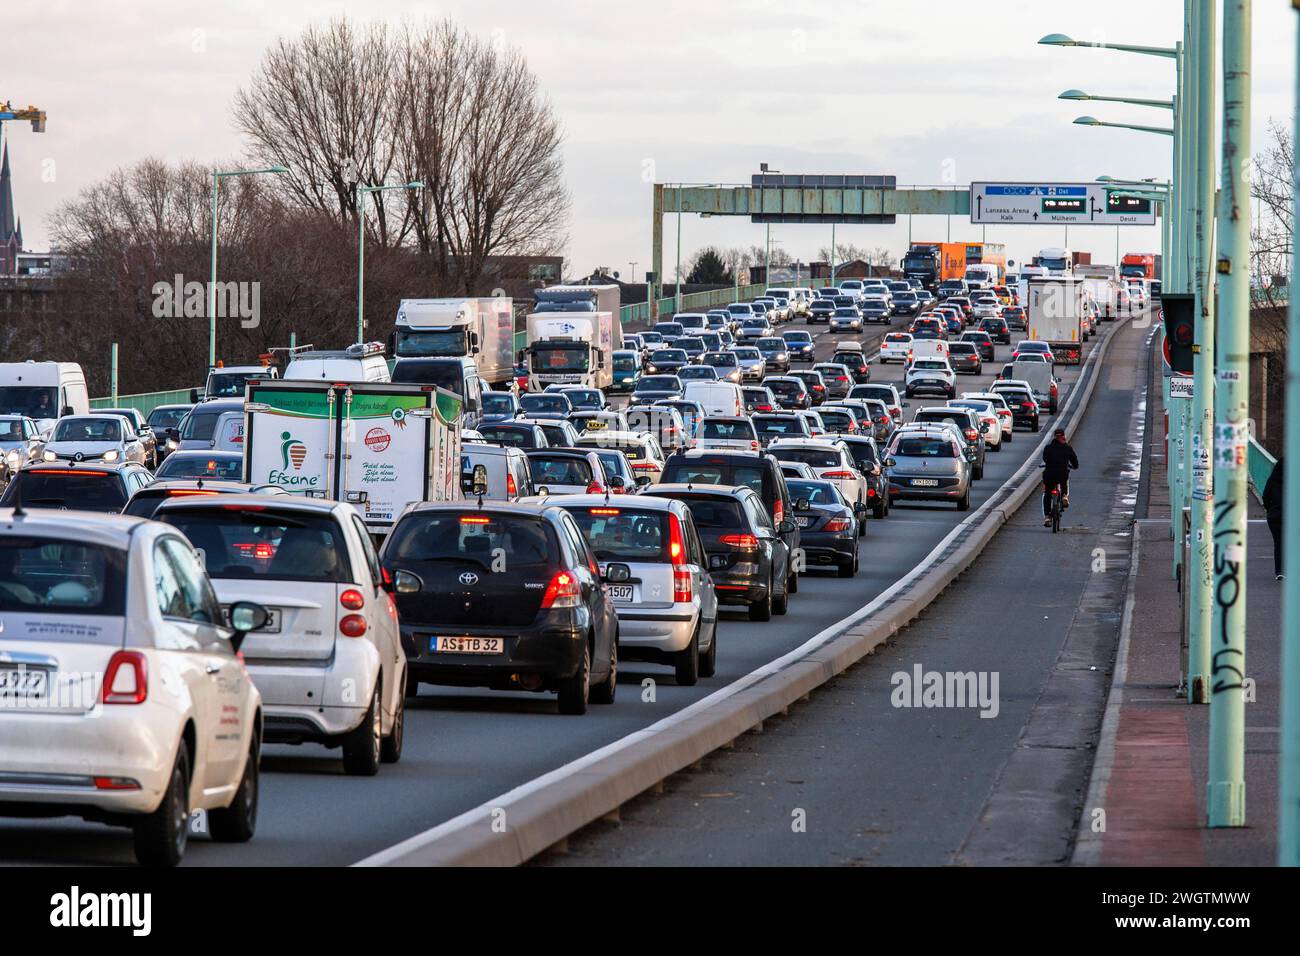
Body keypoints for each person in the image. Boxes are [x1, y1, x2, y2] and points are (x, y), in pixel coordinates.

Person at [1042, 427, 1079, 526]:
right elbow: (1075, 462)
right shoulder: (1067, 448)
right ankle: (1064, 496)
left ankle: (1047, 517)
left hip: (1049, 474)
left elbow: (1045, 459)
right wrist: (1074, 466)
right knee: (1064, 480)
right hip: (1062, 473)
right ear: (1063, 436)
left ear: (1054, 437)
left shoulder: (1048, 448)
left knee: (1047, 494)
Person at [1264, 457, 1285, 581]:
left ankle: (1280, 571)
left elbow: (1265, 497)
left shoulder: (1272, 479)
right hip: (1291, 517)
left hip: (1275, 516)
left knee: (1279, 543)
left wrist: (1270, 508)